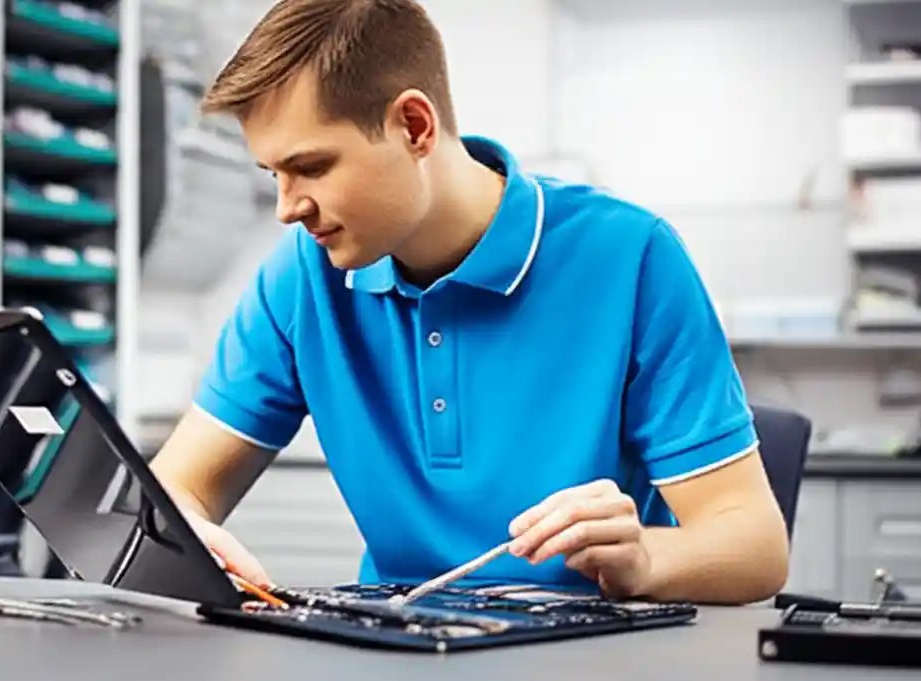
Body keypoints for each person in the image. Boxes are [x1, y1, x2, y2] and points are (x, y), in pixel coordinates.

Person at [149, 0, 790, 604]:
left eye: (311, 167)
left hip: (589, 665)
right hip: (394, 654)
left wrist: (647, 558)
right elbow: (178, 490)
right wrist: (186, 536)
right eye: (274, 176)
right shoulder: (302, 276)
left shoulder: (632, 257)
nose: (289, 207)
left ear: (414, 126)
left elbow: (754, 548)